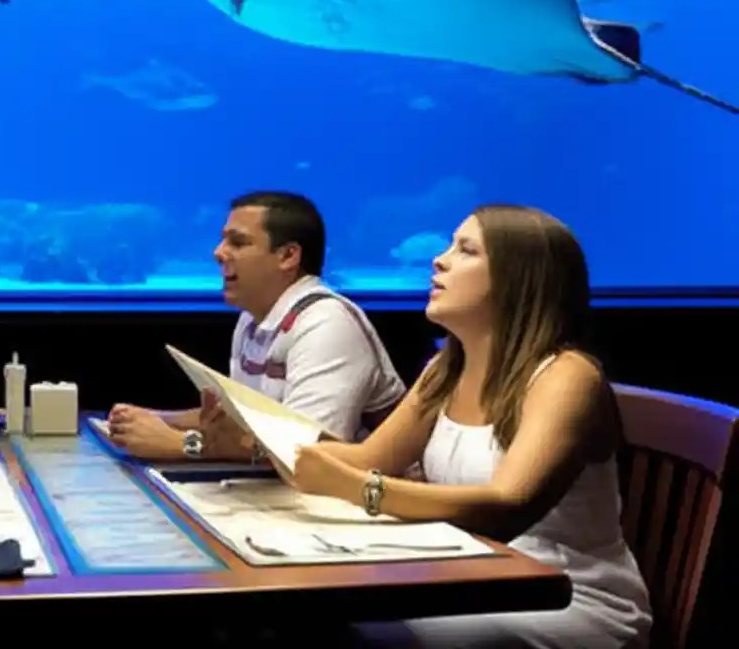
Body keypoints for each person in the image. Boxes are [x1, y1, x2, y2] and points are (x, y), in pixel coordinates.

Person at [280, 205, 652, 648]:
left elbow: (505, 507)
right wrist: (260, 441)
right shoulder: (444, 369)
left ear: (519, 279)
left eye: (467, 250)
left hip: (564, 598)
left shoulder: (566, 377)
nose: (440, 260)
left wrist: (363, 489)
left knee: (349, 627)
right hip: (470, 573)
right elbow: (366, 459)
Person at [107, 190, 405, 462]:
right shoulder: (252, 319)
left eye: (237, 242)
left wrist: (182, 444)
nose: (218, 253)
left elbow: (307, 454)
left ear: (288, 256)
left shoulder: (327, 324)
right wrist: (155, 419)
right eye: (223, 240)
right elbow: (242, 424)